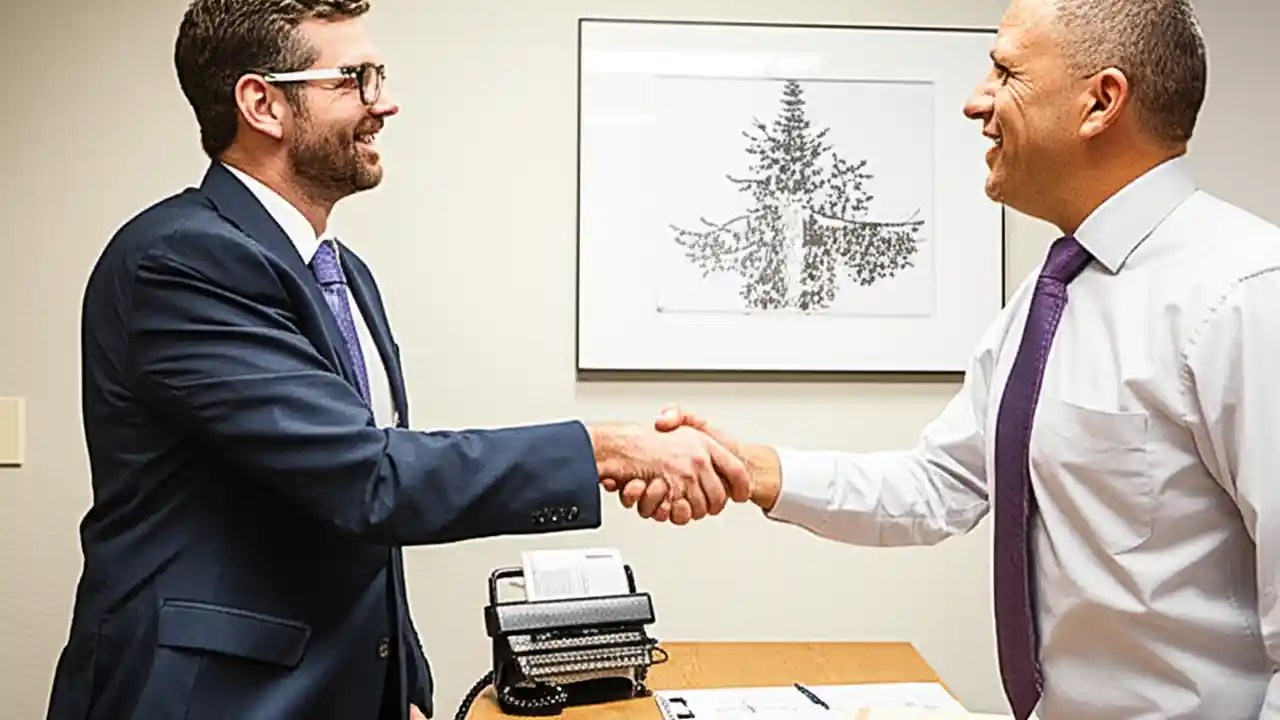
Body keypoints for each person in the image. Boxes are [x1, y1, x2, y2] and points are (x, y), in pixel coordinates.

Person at [44, 1, 747, 719]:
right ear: (262, 103)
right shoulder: (181, 261)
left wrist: (396, 684)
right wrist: (605, 448)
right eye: (355, 78)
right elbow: (367, 477)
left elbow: (360, 504)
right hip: (210, 699)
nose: (386, 102)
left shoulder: (339, 270)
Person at [622, 0, 1280, 718]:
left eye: (1005, 71)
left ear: (1101, 102)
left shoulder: (1244, 297)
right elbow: (941, 485)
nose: (977, 101)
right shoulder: (1052, 293)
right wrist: (752, 470)